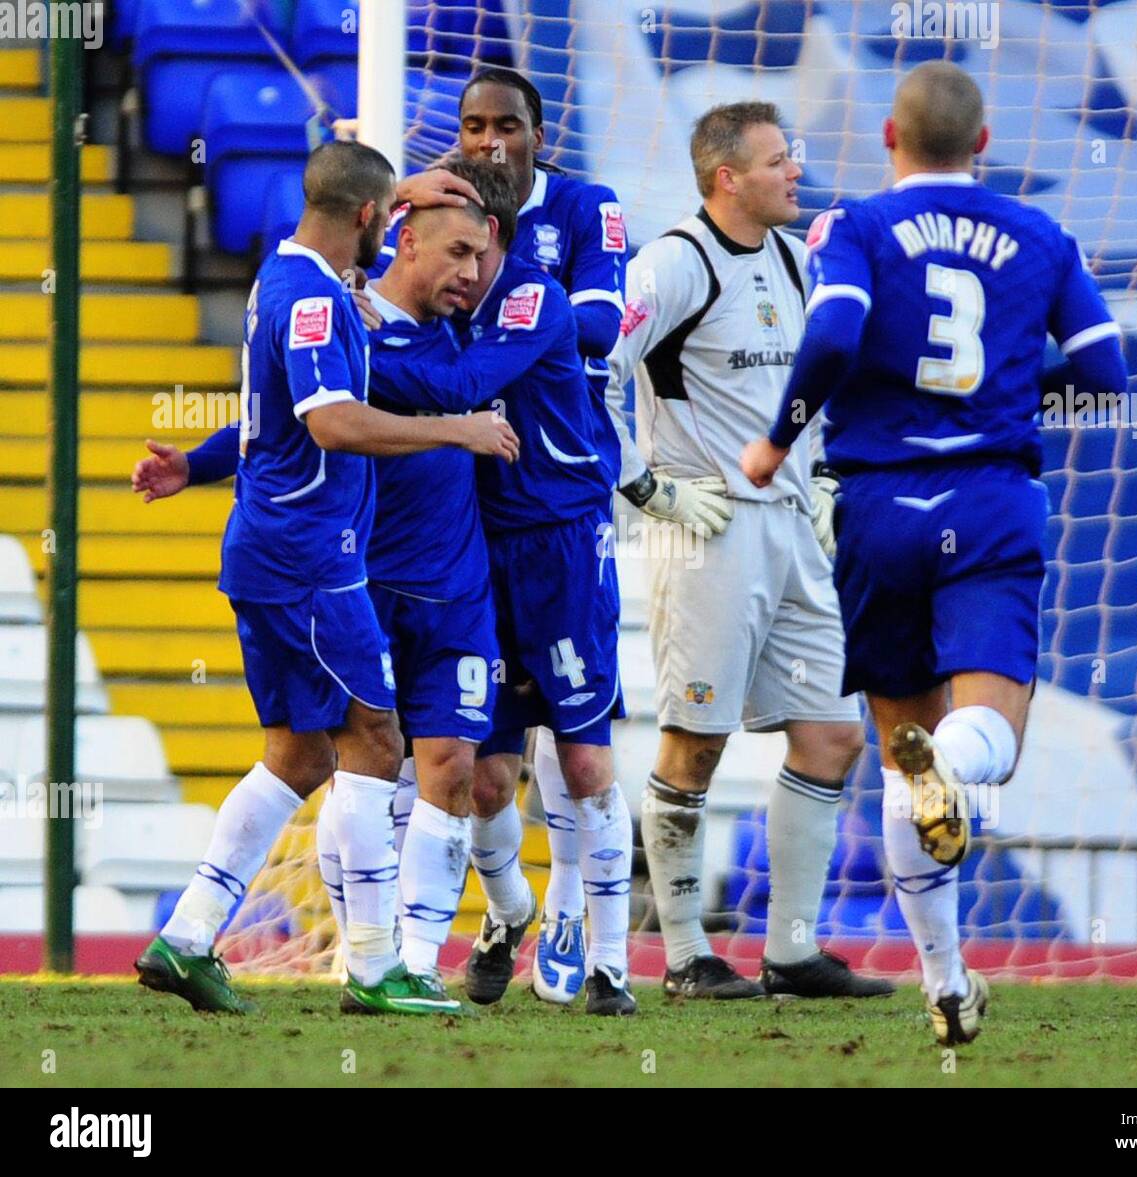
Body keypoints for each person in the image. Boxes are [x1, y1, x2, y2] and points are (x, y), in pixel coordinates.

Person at [741, 61, 1127, 1044]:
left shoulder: (856, 227)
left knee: (902, 758)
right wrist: (1008, 395)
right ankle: (953, 765)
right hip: (989, 501)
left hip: (878, 507)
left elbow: (834, 336)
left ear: (888, 136)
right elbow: (1105, 371)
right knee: (986, 739)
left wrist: (778, 439)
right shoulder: (1041, 235)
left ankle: (947, 982)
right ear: (983, 142)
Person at [130, 143, 518, 1016]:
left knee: (298, 754)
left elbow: (269, 415)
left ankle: (186, 936)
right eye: (389, 214)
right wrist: (456, 427)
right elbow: (333, 424)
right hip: (310, 557)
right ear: (371, 218)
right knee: (375, 739)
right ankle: (376, 966)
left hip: (274, 549)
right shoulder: (315, 299)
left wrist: (194, 464)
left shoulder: (287, 273)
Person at [603, 102, 895, 1001]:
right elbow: (591, 377)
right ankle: (685, 954)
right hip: (709, 530)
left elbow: (815, 386)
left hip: (794, 528)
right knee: (696, 744)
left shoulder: (797, 262)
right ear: (727, 178)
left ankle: (792, 951)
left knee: (833, 733)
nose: (794, 173)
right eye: (777, 161)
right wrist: (648, 487)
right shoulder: (673, 265)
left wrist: (826, 477)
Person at [366, 165, 636, 1017]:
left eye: (474, 251)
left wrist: (354, 352)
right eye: (451, 252)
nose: (464, 271)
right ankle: (511, 908)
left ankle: (610, 962)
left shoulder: (529, 299)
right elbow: (354, 228)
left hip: (560, 547)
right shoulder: (437, 302)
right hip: (479, 550)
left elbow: (455, 390)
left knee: (584, 758)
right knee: (482, 779)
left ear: (496, 236)